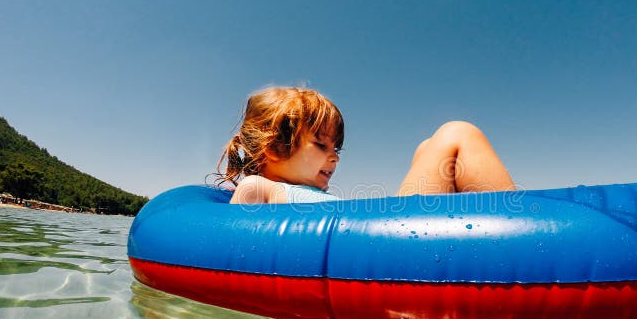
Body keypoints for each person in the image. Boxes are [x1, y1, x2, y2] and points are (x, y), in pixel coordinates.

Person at [217, 86, 515, 204]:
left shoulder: (302, 194)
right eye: (321, 146)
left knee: (428, 148)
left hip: (391, 239)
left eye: (336, 149)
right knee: (457, 134)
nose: (334, 158)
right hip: (393, 251)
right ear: (273, 148)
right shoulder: (259, 188)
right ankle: (527, 237)